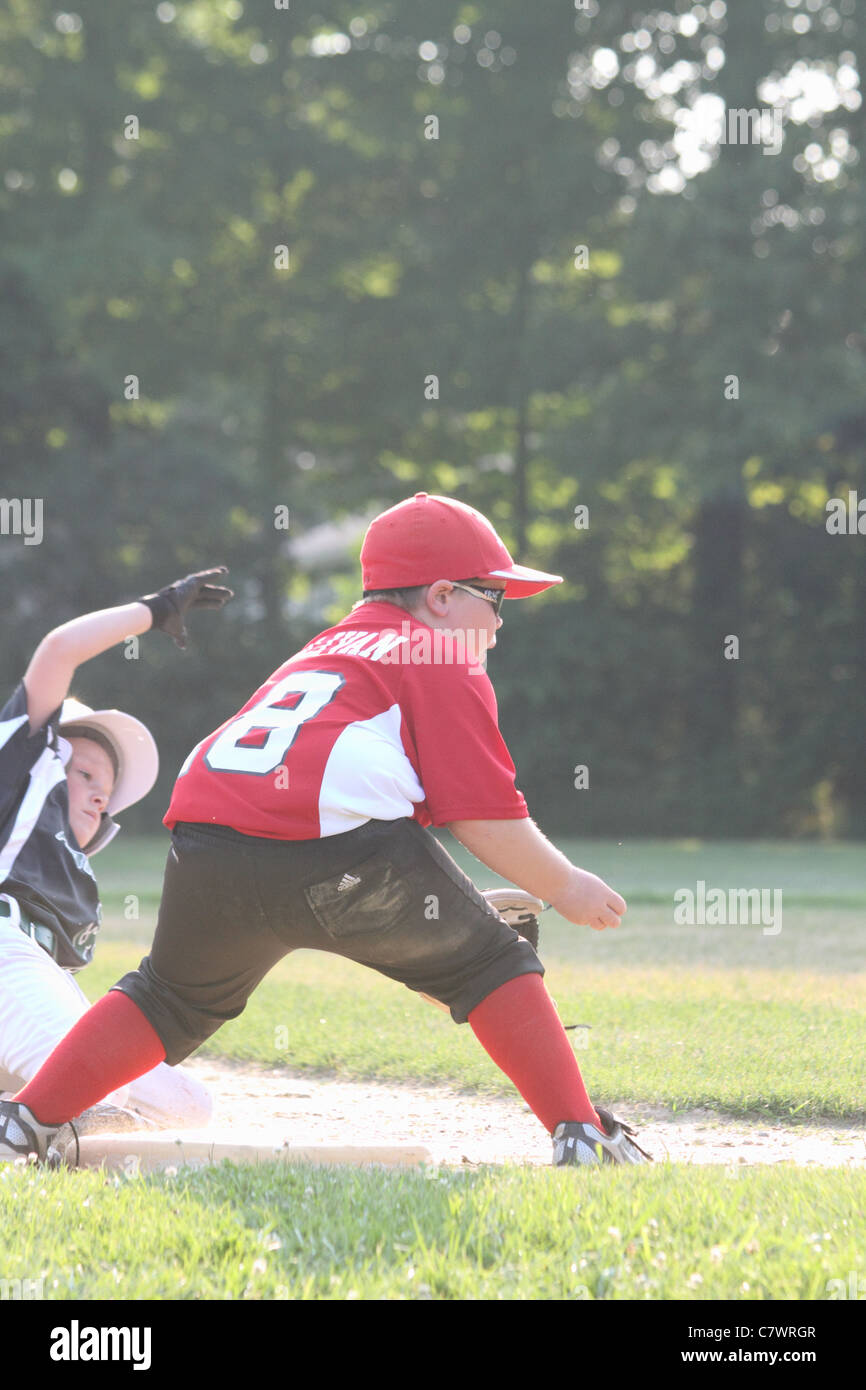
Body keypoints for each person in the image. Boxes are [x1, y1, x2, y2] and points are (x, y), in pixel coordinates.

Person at [0, 496, 649, 1166]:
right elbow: (482, 817)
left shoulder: (319, 650)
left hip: (205, 837)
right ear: (441, 597)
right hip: (335, 846)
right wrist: (566, 886)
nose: (499, 620)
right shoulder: (438, 652)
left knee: (167, 999)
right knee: (490, 962)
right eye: (494, 597)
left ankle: (26, 1121)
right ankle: (583, 1134)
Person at [0, 568, 233, 1133]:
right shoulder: (16, 772)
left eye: (107, 794)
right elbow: (59, 651)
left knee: (190, 1109)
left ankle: (30, 1116)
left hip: (23, 990)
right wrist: (154, 610)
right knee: (89, 1103)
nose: (100, 795)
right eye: (84, 773)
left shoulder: (70, 875)